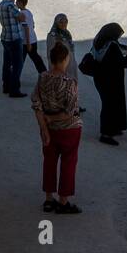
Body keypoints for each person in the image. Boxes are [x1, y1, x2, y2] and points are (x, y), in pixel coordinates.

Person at [31, 42, 83, 214]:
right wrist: (52, 118)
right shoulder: (70, 82)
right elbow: (71, 111)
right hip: (69, 130)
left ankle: (48, 198)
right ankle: (63, 201)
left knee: (49, 161)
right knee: (68, 163)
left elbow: (36, 104)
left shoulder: (42, 78)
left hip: (50, 129)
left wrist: (44, 127)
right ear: (65, 59)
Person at [86, 22, 127, 146]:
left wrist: (124, 47)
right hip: (111, 81)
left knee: (112, 104)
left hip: (101, 79)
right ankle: (106, 134)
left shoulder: (99, 41)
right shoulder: (111, 47)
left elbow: (115, 45)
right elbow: (124, 63)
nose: (118, 37)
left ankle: (114, 128)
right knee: (110, 106)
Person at [0, 0, 26, 97]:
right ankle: (14, 89)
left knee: (7, 63)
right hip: (14, 38)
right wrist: (21, 15)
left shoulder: (1, 4)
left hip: (5, 37)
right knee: (18, 64)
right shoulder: (10, 5)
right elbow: (21, 17)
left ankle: (6, 86)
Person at [16, 0, 46, 74]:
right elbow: (32, 25)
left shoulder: (21, 14)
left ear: (21, 3)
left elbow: (26, 28)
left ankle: (15, 78)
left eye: (17, 2)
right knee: (36, 58)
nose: (16, 3)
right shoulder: (29, 12)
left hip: (26, 42)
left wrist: (28, 43)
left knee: (20, 61)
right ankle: (44, 73)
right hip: (33, 40)